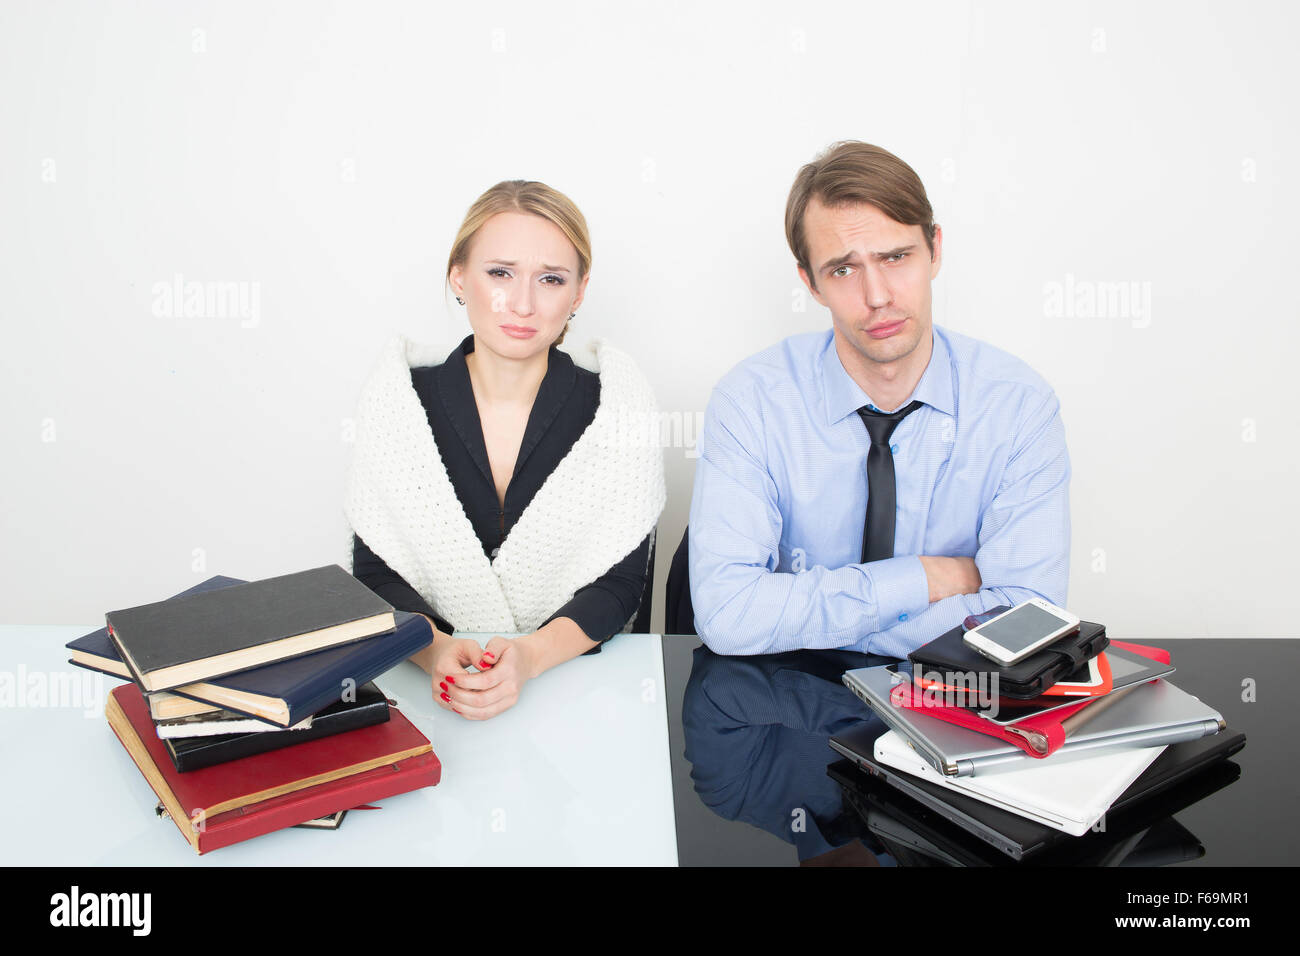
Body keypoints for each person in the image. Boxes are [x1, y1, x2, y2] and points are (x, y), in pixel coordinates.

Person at [687, 141, 1070, 657]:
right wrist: (925, 579)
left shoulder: (1019, 408)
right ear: (811, 283)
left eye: (895, 257)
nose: (878, 296)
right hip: (783, 704)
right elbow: (729, 614)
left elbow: (1024, 623)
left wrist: (804, 619)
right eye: (843, 270)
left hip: (956, 703)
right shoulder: (751, 402)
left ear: (934, 249)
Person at [345, 180, 665, 718]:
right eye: (500, 273)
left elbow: (621, 583)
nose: (522, 302)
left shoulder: (615, 406)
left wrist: (528, 658)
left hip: (574, 690)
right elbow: (377, 571)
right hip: (419, 693)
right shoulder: (399, 400)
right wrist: (436, 651)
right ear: (458, 277)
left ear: (579, 292)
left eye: (551, 279)